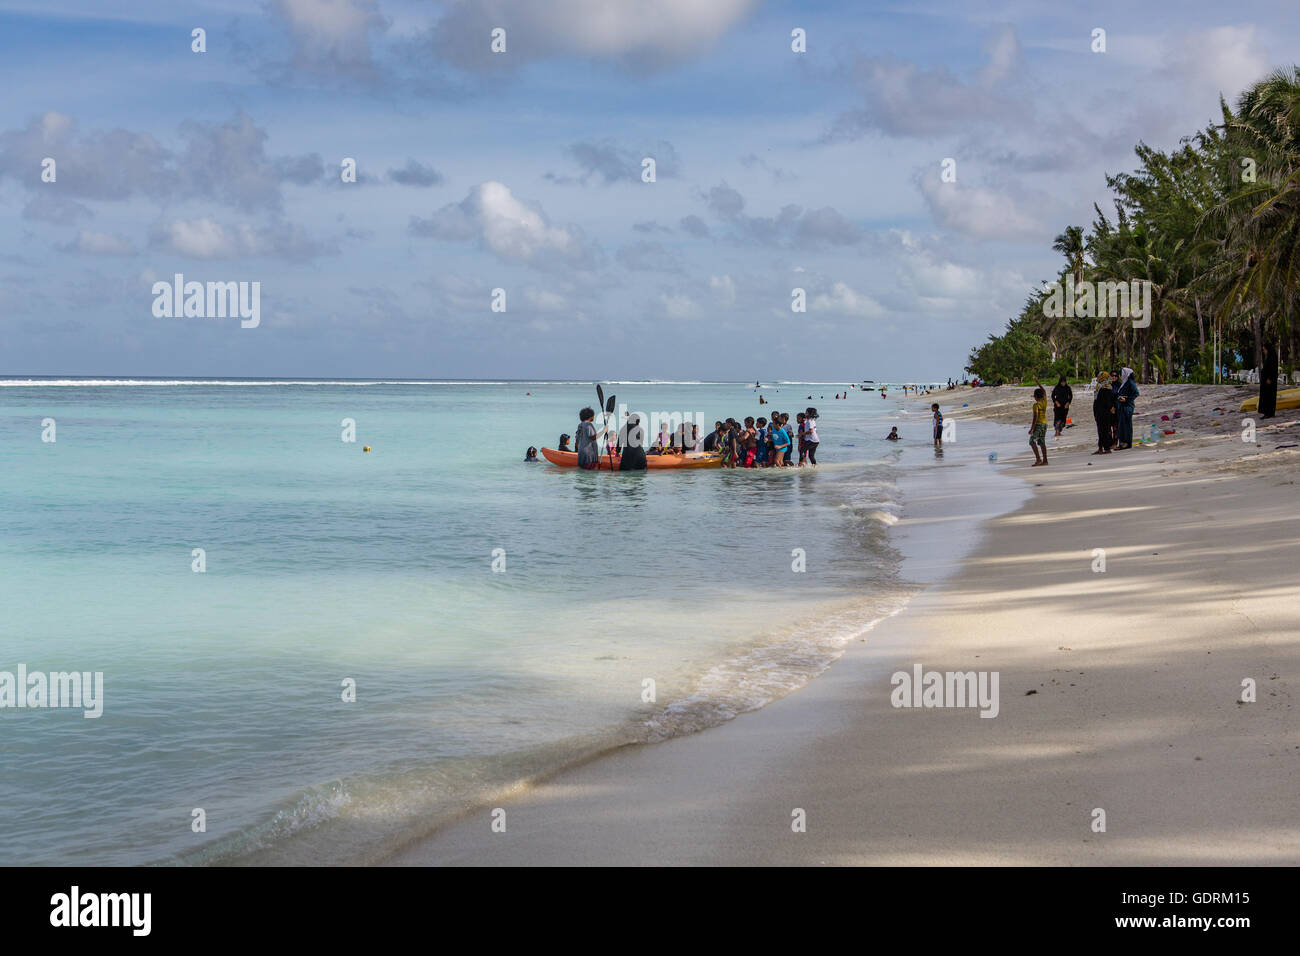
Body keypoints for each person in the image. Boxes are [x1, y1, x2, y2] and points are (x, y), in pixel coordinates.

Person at [1091, 372, 1115, 454]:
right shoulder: (1100, 386)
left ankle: (1107, 448)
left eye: (1099, 377)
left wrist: (1110, 408)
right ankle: (1100, 448)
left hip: (1103, 413)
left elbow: (1107, 402)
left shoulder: (1106, 388)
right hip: (1099, 412)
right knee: (1101, 430)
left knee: (1104, 430)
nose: (1097, 378)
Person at [1114, 367, 1138, 449]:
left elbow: (1136, 393)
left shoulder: (1130, 382)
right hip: (1122, 406)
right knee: (1122, 425)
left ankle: (1126, 443)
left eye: (1121, 374)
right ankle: (1123, 443)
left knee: (1126, 425)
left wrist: (1126, 399)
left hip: (1127, 407)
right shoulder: (1124, 382)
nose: (1120, 376)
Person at [1029, 384, 1048, 466]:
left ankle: (1038, 459)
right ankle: (1045, 460)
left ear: (1036, 397)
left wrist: (1032, 428)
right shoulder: (1044, 402)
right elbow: (1044, 391)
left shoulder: (1036, 405)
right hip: (1045, 424)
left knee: (1032, 441)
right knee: (1041, 442)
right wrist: (1037, 382)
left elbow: (1035, 416)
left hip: (1039, 425)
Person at [1260, 342, 1279, 418]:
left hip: (1269, 380)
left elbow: (1273, 369)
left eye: (1264, 349)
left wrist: (1270, 378)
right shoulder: (1269, 356)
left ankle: (1268, 413)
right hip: (1266, 380)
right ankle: (1268, 412)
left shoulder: (1272, 356)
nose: (1264, 351)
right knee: (1267, 396)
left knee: (1269, 397)